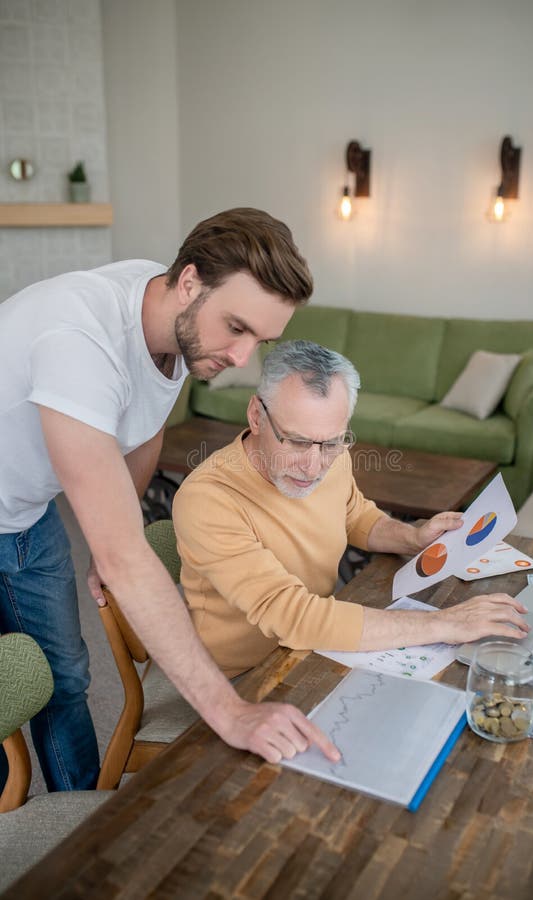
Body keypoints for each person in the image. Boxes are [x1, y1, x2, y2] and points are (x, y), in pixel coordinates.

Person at [0, 208, 340, 793]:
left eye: (260, 339)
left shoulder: (169, 319)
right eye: (237, 328)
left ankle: (79, 815)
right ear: (188, 281)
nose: (242, 358)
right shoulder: (78, 340)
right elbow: (130, 562)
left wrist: (116, 528)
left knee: (66, 675)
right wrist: (230, 713)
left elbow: (145, 424)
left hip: (25, 514)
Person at [172, 340, 529, 678]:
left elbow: (354, 514)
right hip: (239, 677)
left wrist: (412, 536)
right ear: (255, 415)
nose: (312, 467)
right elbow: (292, 616)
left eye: (331, 442)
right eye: (295, 441)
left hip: (315, 649)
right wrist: (446, 624)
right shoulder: (208, 499)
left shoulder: (331, 456)